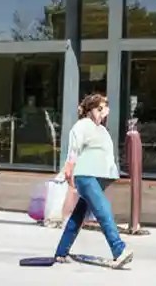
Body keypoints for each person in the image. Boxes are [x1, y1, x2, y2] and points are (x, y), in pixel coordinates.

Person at [54, 94, 134, 269]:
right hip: (85, 175)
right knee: (103, 209)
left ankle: (61, 252)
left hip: (97, 177)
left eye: (105, 109)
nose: (103, 113)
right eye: (99, 109)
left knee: (78, 215)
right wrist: (68, 170)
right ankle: (118, 249)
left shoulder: (102, 130)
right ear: (90, 110)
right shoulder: (81, 126)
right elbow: (73, 151)